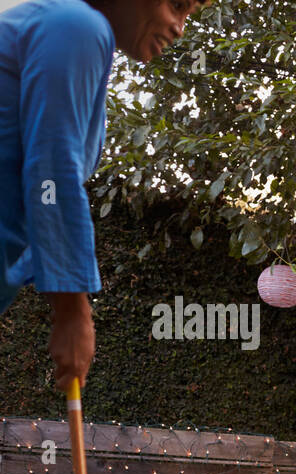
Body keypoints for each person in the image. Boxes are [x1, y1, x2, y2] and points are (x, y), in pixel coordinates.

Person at [0, 0, 204, 390]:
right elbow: (51, 173)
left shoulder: (78, 35)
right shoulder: (75, 25)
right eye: (177, 5)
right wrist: (73, 311)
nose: (180, 28)